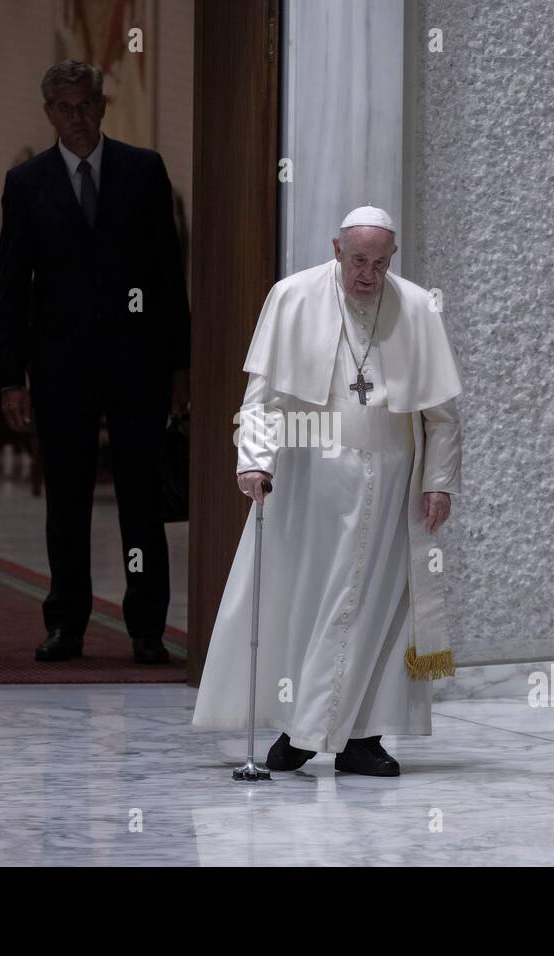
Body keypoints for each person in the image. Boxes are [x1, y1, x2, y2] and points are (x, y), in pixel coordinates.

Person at [191, 206, 463, 776]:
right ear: (337, 250)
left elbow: (442, 414)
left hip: (392, 481)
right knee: (316, 602)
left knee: (380, 609)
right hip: (311, 481)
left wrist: (438, 481)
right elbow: (262, 397)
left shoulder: (414, 306)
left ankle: (363, 739)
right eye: (359, 260)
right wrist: (254, 461)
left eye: (381, 263)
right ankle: (300, 728)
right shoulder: (291, 297)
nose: (368, 275)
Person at [0, 60, 191, 665]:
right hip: (61, 367)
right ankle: (66, 622)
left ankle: (147, 628)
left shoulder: (143, 170)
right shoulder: (27, 183)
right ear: (48, 112)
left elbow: (167, 276)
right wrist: (10, 378)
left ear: (103, 107)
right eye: (64, 108)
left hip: (139, 365)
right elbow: (12, 287)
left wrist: (182, 367)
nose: (76, 118)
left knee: (140, 499)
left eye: (86, 106)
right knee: (68, 500)